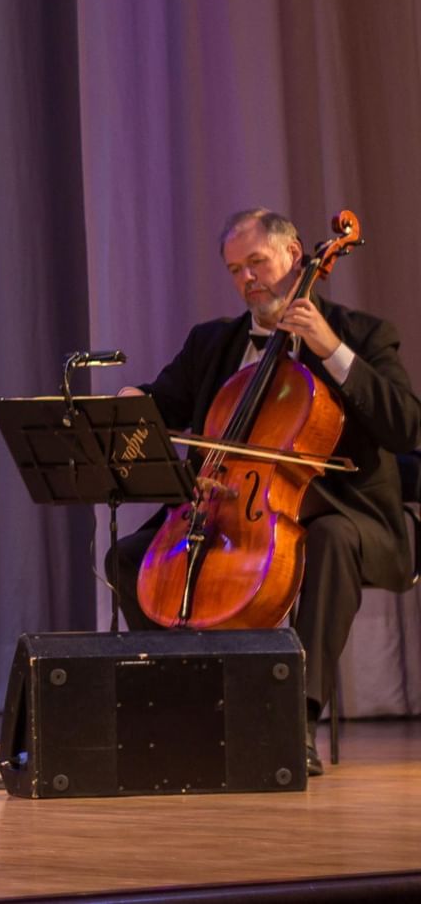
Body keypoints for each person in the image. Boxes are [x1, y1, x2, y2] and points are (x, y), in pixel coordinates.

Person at [107, 208, 421, 775]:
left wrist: (330, 350)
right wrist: (133, 398)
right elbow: (162, 402)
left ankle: (293, 719)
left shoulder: (363, 335)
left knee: (327, 539)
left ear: (296, 256)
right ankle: (186, 709)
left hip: (354, 517)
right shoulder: (213, 344)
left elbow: (405, 427)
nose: (248, 279)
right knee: (131, 558)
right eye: (235, 270)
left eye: (257, 262)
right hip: (234, 507)